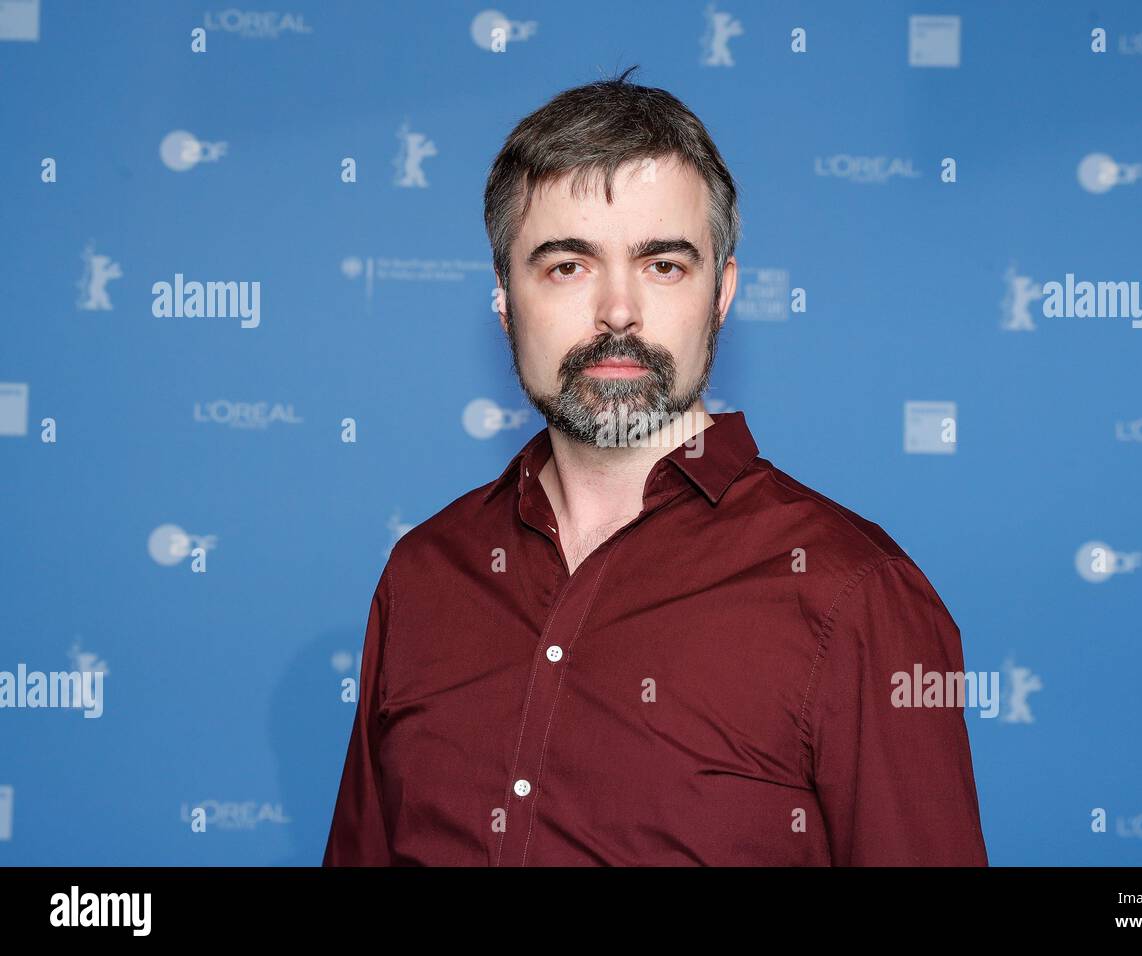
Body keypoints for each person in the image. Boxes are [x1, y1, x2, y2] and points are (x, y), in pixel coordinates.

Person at [323, 67, 988, 866]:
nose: (617, 311)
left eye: (663, 265)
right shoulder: (425, 573)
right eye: (566, 265)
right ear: (504, 298)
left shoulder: (853, 593)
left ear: (722, 295)